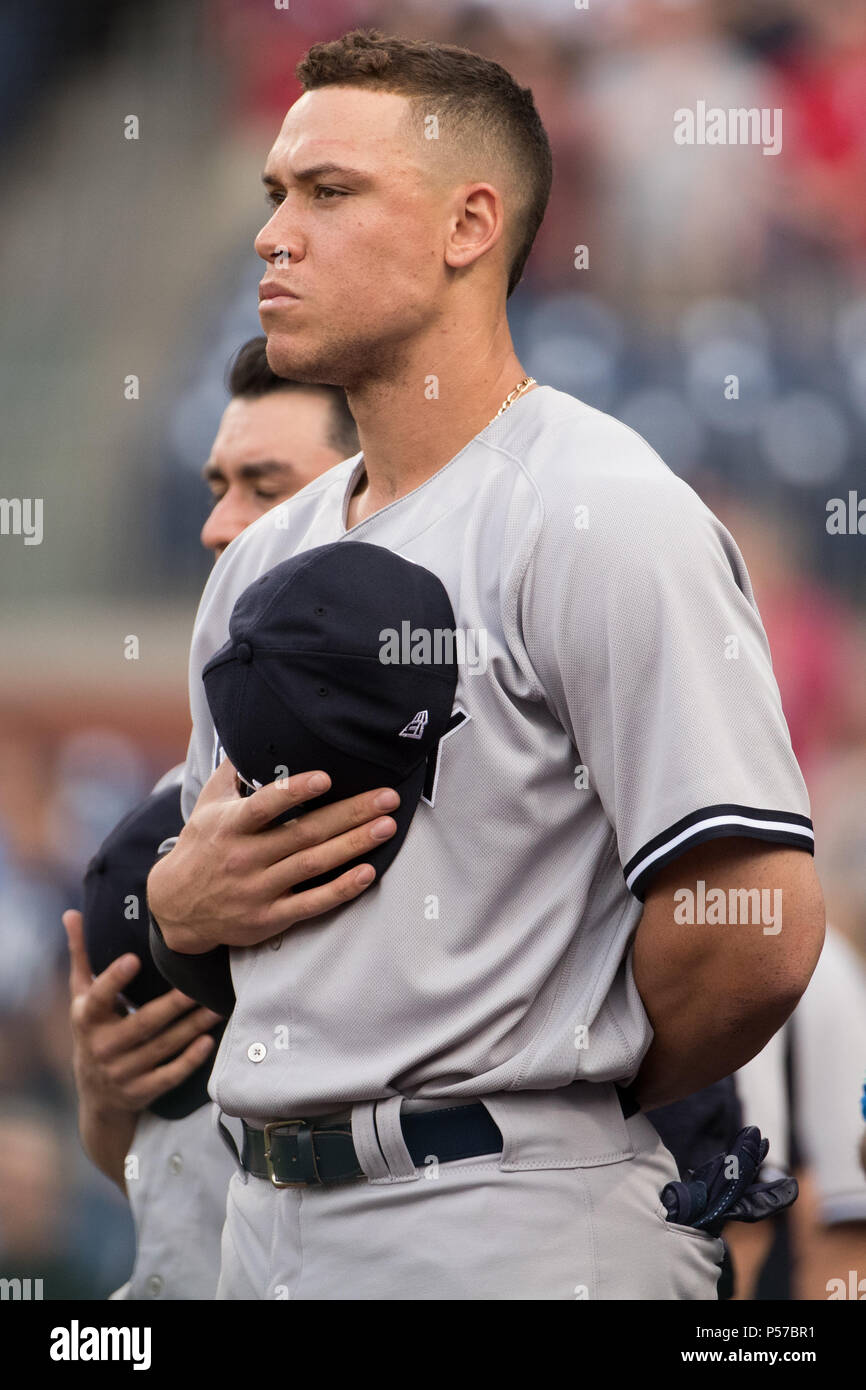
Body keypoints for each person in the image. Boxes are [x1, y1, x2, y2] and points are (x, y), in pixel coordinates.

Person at [148, 30, 825, 1301]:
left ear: (470, 225)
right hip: (260, 1218)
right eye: (274, 195)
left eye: (329, 193)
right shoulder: (262, 556)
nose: (272, 235)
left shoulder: (601, 507)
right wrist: (184, 912)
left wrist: (556, 1086)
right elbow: (219, 895)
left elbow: (755, 931)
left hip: (501, 1223)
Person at [63, 338, 357, 1300]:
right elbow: (166, 1179)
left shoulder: (507, 797)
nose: (220, 527)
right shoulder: (163, 820)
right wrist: (107, 1098)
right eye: (217, 485)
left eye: (265, 488)